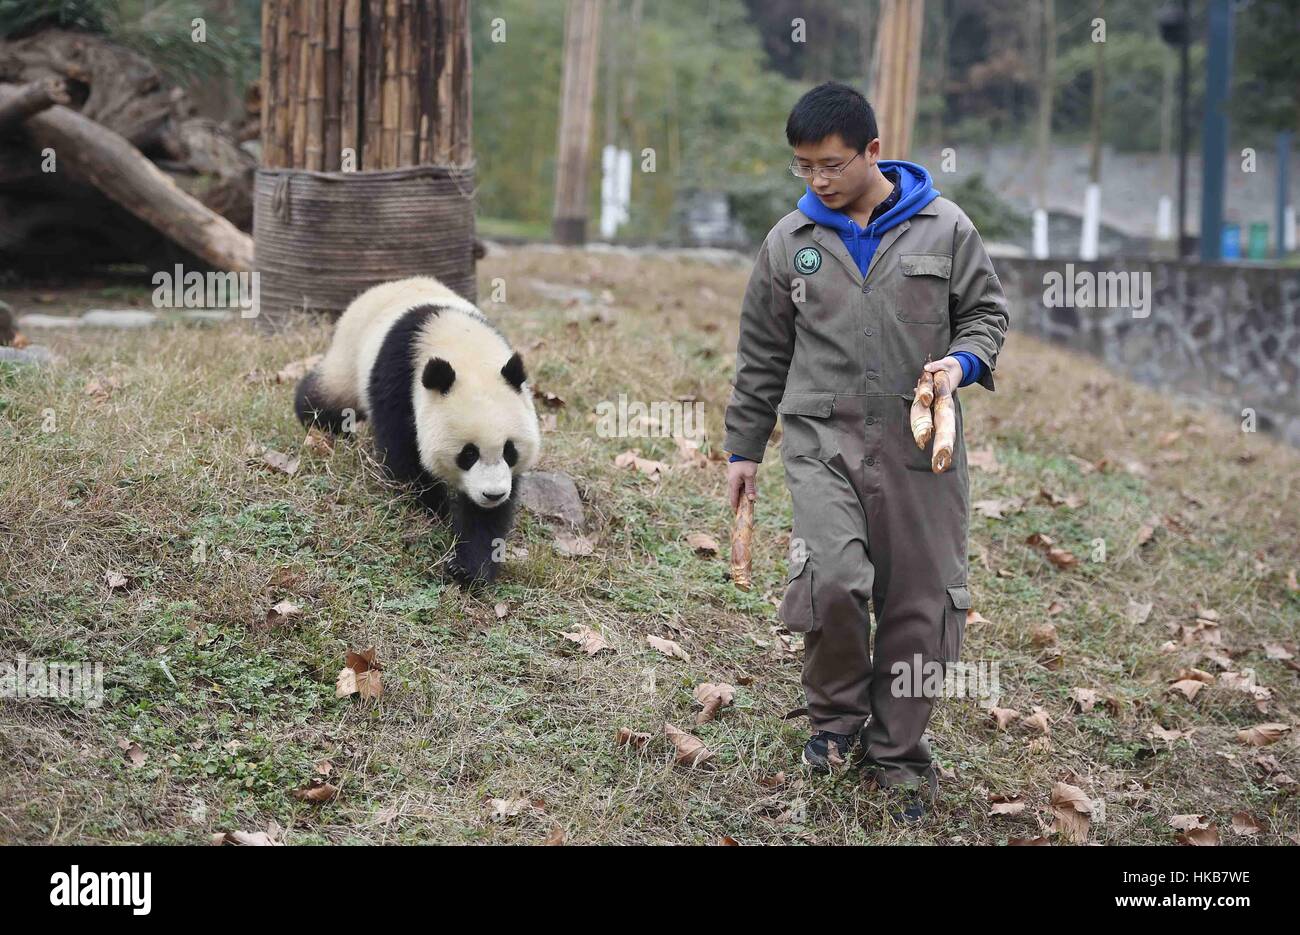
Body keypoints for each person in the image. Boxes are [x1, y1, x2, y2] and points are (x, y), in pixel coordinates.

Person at [723, 81, 1009, 823]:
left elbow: (984, 315)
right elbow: (761, 353)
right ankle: (835, 724)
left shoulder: (944, 228)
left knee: (921, 603)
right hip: (823, 441)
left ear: (873, 151)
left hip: (922, 447)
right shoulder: (790, 242)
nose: (817, 179)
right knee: (834, 579)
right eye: (802, 165)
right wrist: (743, 449)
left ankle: (899, 753)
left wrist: (961, 364)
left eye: (831, 163)